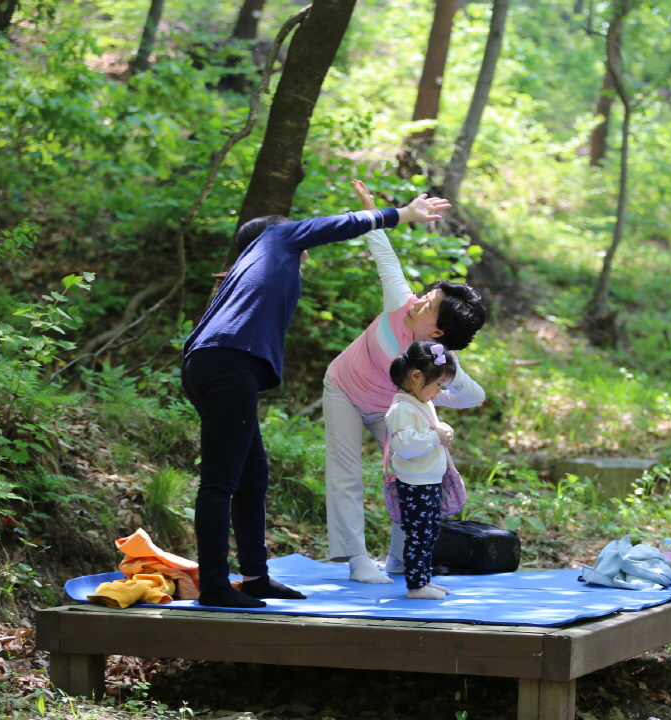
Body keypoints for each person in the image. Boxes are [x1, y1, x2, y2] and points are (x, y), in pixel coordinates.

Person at [181, 186, 450, 608]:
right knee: (221, 481)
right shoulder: (276, 238)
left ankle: (255, 578)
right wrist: (404, 213)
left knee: (252, 478)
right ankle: (214, 586)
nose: (300, 236)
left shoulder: (258, 269)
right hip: (227, 364)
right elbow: (336, 226)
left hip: (221, 366)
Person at [324, 180, 486, 584]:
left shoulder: (440, 360)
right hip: (344, 389)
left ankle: (401, 558)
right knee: (346, 473)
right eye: (427, 295)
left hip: (391, 407)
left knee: (413, 470)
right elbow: (386, 258)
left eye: (428, 305)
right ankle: (357, 559)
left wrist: (437, 390)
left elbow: (474, 396)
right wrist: (372, 212)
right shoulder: (401, 304)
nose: (419, 301)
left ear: (438, 333)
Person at [384, 339, 460, 599]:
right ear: (416, 376)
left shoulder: (420, 401)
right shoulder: (401, 408)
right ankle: (416, 586)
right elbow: (405, 445)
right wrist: (435, 436)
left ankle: (424, 580)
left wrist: (440, 431)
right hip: (415, 483)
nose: (439, 391)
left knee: (429, 532)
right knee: (418, 534)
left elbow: (425, 432)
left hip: (428, 479)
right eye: (438, 384)